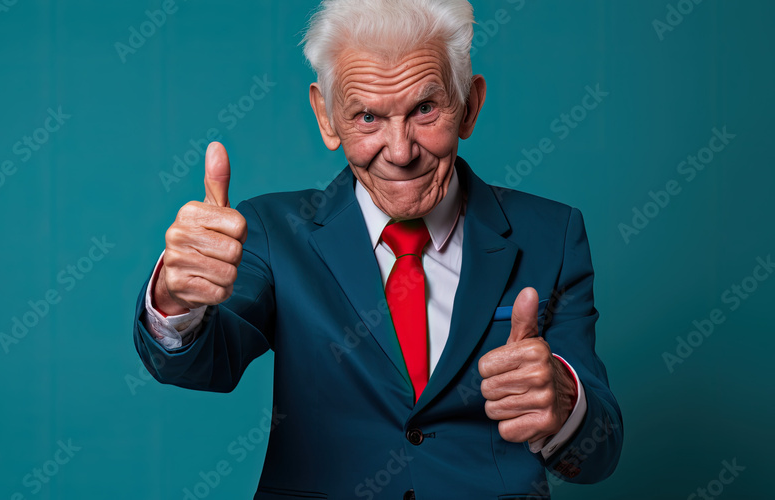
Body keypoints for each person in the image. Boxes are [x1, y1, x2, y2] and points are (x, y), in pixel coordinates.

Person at [133, 0, 623, 497]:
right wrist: (178, 300)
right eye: (367, 116)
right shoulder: (270, 230)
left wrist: (562, 404)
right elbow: (201, 363)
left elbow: (599, 454)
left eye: (425, 109)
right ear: (326, 117)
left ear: (469, 106)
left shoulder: (552, 233)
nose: (401, 150)